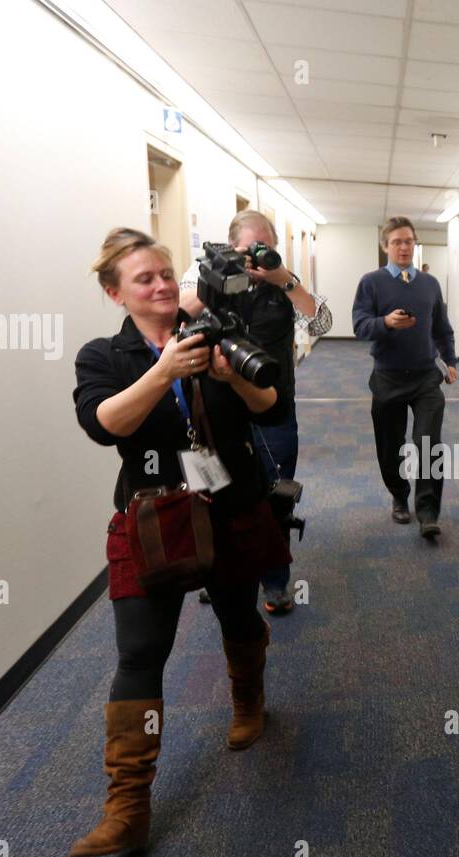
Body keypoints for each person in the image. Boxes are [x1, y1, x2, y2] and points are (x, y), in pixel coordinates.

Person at [69, 227, 291, 857]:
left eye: (166, 274)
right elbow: (102, 423)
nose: (162, 285)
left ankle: (248, 699)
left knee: (236, 612)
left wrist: (232, 375)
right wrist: (164, 370)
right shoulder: (103, 356)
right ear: (118, 295)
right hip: (153, 513)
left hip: (227, 504)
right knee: (140, 650)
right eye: (145, 279)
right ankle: (128, 804)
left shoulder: (218, 328)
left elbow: (271, 406)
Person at [180, 209, 331, 615]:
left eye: (267, 247)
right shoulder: (203, 272)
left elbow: (321, 324)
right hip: (211, 410)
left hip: (272, 405)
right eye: (250, 248)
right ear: (232, 245)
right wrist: (220, 278)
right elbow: (175, 314)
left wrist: (283, 278)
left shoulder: (283, 281)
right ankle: (219, 570)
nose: (259, 255)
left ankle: (276, 581)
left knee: (275, 495)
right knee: (212, 492)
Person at [351, 216, 456, 539]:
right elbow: (360, 326)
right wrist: (386, 323)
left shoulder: (429, 283)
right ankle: (399, 495)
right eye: (396, 242)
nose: (403, 247)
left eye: (409, 241)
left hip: (426, 376)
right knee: (390, 445)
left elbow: (441, 327)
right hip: (388, 377)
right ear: (386, 247)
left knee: (428, 443)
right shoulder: (371, 282)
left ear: (415, 244)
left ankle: (428, 512)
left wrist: (449, 361)